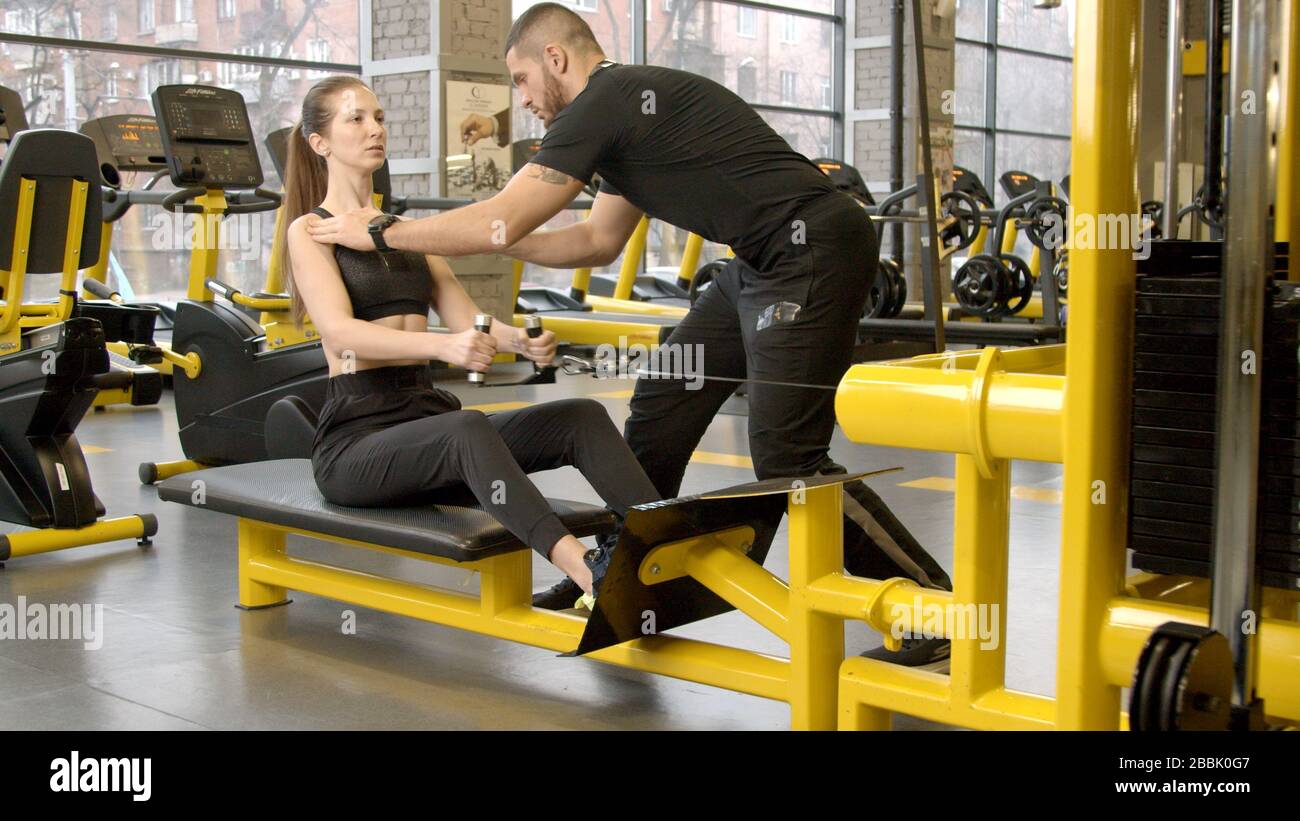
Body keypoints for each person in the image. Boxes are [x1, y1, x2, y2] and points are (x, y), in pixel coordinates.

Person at [306, 5, 953, 667]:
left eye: (523, 80)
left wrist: (383, 233)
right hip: (759, 260)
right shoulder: (619, 123)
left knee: (789, 458)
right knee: (665, 392)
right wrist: (488, 238)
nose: (521, 100)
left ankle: (934, 606)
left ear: (556, 60)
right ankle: (631, 564)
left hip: (809, 248)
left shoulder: (605, 100)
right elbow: (594, 240)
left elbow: (498, 222)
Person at [280, 75, 660, 604]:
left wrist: (521, 341)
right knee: (466, 427)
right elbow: (342, 338)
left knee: (580, 416)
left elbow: (469, 321)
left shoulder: (403, 231)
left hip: (427, 426)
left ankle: (665, 545)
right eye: (357, 119)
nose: (375, 130)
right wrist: (441, 347)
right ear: (319, 143)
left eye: (379, 118)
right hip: (357, 445)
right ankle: (588, 570)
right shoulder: (310, 230)